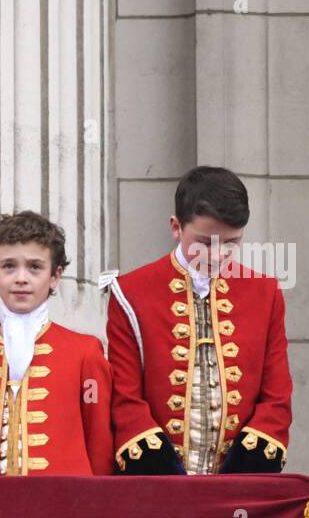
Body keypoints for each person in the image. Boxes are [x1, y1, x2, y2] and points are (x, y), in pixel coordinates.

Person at [105, 166, 293, 474]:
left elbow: (277, 395)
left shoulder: (266, 292)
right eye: (205, 243)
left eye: (232, 243)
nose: (219, 255)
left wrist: (244, 473)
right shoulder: (130, 292)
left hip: (239, 483)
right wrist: (166, 478)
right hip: (159, 483)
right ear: (176, 227)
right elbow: (125, 398)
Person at [0, 211, 113, 475]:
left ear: (55, 276)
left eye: (35, 267)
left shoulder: (85, 352)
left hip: (64, 507)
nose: (21, 278)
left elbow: (99, 445)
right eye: (9, 266)